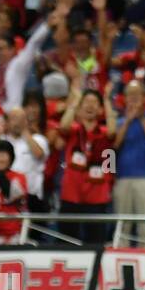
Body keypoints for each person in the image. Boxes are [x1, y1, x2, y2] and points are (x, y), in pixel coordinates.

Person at [53, 84, 116, 245]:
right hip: (71, 194)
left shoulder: (103, 133)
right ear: (80, 109)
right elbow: (63, 126)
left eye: (94, 102)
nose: (90, 105)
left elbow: (112, 131)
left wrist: (107, 100)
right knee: (66, 242)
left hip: (96, 195)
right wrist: (75, 101)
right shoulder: (74, 130)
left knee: (95, 243)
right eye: (86, 102)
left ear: (100, 110)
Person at [112, 79, 145, 247]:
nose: (133, 99)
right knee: (123, 225)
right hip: (123, 178)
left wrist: (141, 117)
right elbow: (114, 145)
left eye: (137, 95)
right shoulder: (120, 122)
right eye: (129, 95)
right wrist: (128, 120)